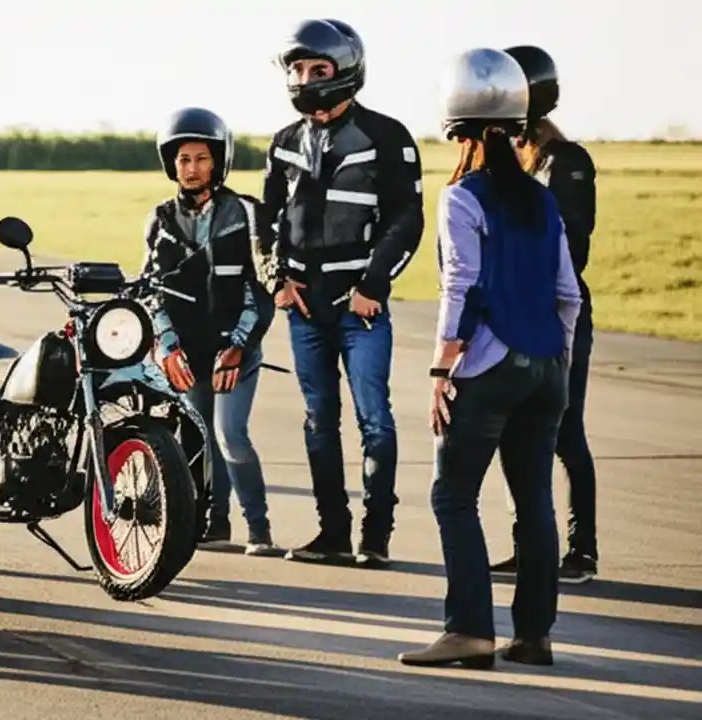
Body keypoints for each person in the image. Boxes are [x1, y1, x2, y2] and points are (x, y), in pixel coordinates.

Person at [398, 47, 582, 669]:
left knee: (453, 496)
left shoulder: (461, 198)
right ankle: (533, 636)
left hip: (489, 367)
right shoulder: (543, 200)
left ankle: (470, 630)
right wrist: (557, 356)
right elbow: (568, 294)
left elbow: (461, 287)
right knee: (534, 500)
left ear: (459, 134)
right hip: (547, 368)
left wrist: (441, 370)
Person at [261, 19, 424, 568]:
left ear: (347, 71)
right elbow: (266, 221)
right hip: (304, 309)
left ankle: (375, 538)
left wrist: (373, 285)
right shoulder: (283, 143)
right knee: (317, 421)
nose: (305, 78)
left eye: (317, 69)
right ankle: (331, 533)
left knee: (374, 419)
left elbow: (407, 218)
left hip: (361, 307)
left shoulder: (386, 135)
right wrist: (275, 279)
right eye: (297, 69)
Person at [141, 107, 279, 556]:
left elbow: (260, 290)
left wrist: (237, 346)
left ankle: (259, 530)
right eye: (184, 160)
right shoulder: (159, 220)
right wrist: (166, 345)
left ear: (219, 162)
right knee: (195, 439)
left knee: (230, 434)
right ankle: (212, 524)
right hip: (185, 354)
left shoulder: (246, 213)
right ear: (171, 165)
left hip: (236, 351)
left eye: (202, 158)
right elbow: (151, 292)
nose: (193, 168)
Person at [489, 45, 600, 585]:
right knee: (516, 431)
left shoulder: (568, 161)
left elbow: (572, 247)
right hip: (514, 314)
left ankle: (582, 550)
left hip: (559, 316)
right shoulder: (510, 160)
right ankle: (528, 544)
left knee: (565, 432)